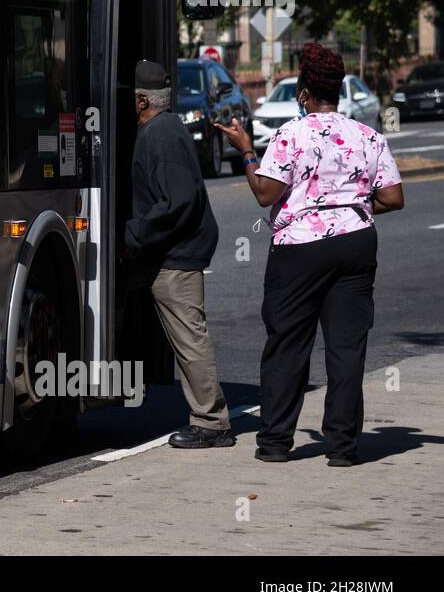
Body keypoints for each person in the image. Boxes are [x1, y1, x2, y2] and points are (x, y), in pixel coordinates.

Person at [216, 42, 403, 466]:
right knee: (346, 347)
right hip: (356, 244)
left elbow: (266, 193)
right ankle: (341, 448)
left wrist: (246, 149)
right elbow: (393, 196)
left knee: (288, 343)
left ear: (303, 93)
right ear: (338, 90)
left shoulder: (291, 135)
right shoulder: (367, 136)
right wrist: (349, 206)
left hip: (300, 249)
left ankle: (276, 443)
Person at [124, 60, 234, 447]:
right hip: (168, 254)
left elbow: (179, 200)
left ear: (141, 101)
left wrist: (134, 234)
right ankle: (207, 417)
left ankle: (212, 422)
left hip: (176, 256)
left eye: (130, 98)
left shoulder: (161, 135)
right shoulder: (165, 128)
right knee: (184, 338)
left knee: (190, 340)